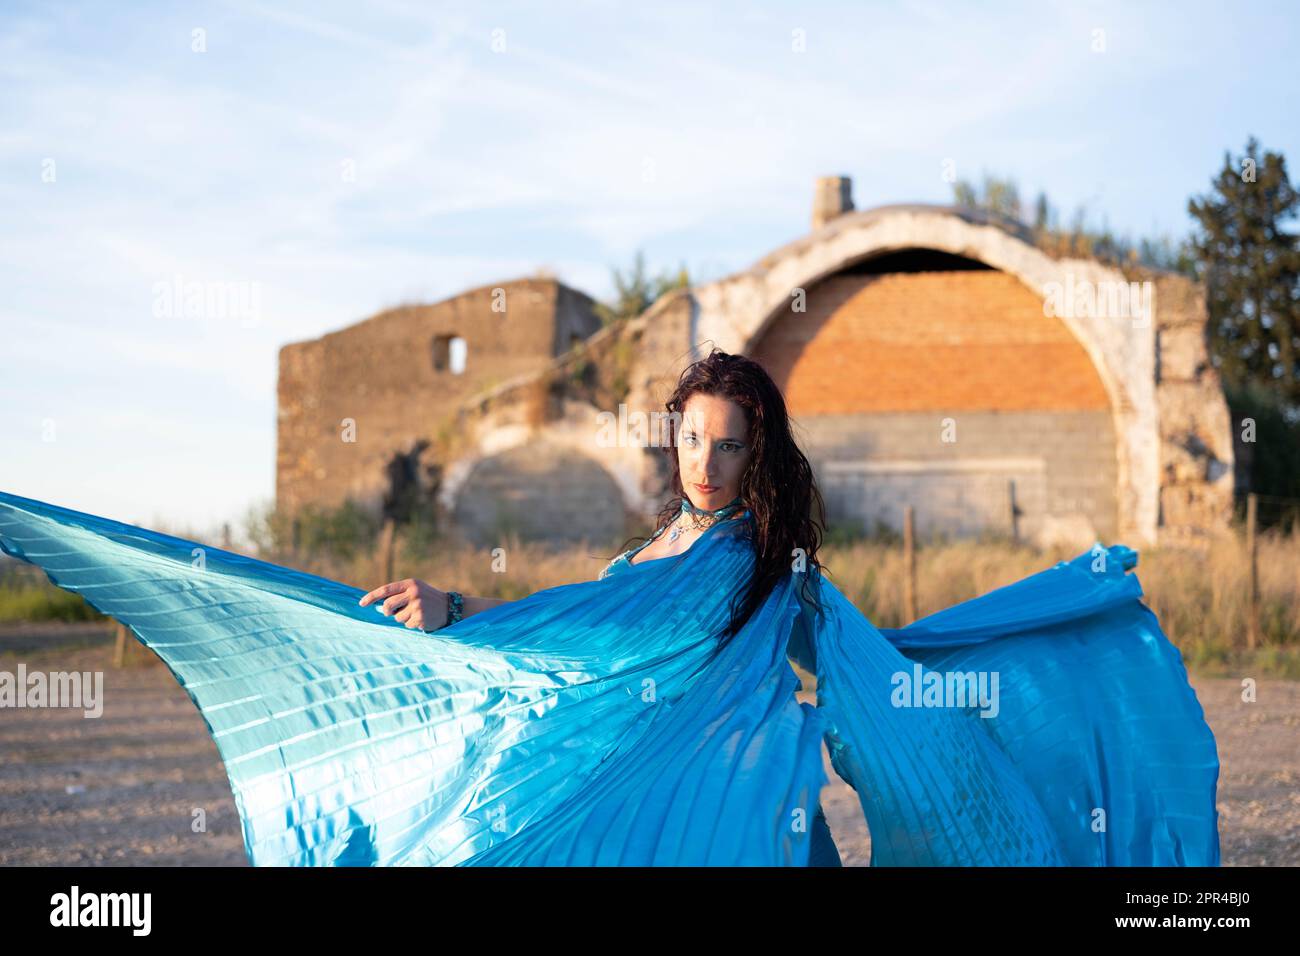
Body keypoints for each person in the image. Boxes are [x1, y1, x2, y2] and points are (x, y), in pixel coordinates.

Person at [0, 348, 1220, 866]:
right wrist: (453, 610)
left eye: (730, 444)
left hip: (749, 817)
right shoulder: (662, 549)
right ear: (674, 442)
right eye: (691, 438)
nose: (707, 460)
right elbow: (587, 629)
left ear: (758, 456)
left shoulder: (750, 558)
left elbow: (840, 663)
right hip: (684, 812)